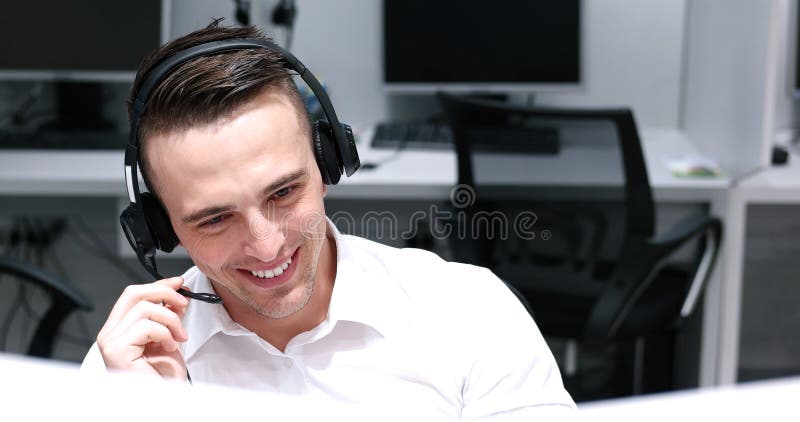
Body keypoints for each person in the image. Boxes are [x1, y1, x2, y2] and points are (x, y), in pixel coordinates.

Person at [81, 21, 576, 418]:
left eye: (283, 192)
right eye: (214, 220)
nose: (266, 245)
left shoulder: (470, 312)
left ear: (327, 163)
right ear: (160, 227)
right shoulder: (129, 369)